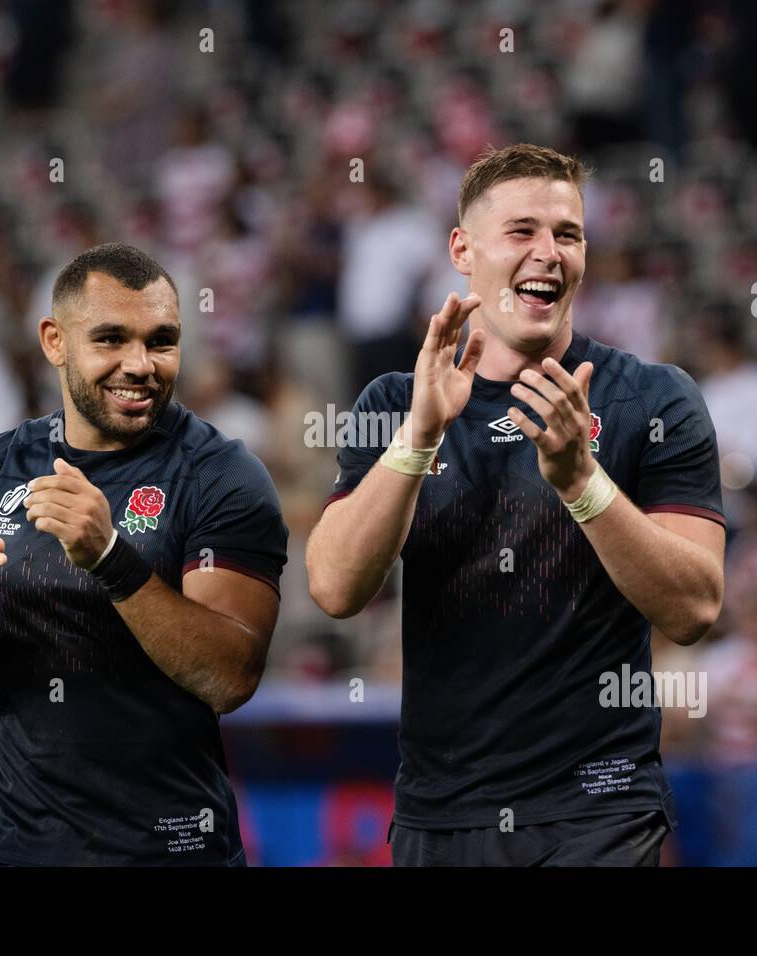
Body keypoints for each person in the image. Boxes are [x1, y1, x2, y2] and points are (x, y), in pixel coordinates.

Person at [306, 144, 726, 866]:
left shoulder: (653, 399)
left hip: (597, 811)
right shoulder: (395, 403)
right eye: (522, 231)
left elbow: (694, 607)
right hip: (440, 815)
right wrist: (418, 438)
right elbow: (335, 587)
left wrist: (583, 484)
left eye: (568, 234)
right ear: (462, 250)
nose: (549, 253)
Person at [0, 242, 287, 866]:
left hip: (169, 853)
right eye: (111, 339)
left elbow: (230, 678)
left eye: (161, 341)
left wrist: (110, 558)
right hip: (17, 851)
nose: (141, 364)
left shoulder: (222, 475)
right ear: (55, 341)